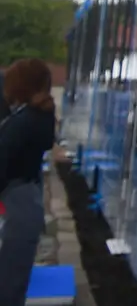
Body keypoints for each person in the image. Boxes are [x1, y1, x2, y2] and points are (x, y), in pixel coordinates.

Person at [0, 60, 57, 306]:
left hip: (15, 204)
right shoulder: (37, 115)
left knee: (8, 284)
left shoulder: (24, 122)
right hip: (24, 201)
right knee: (13, 280)